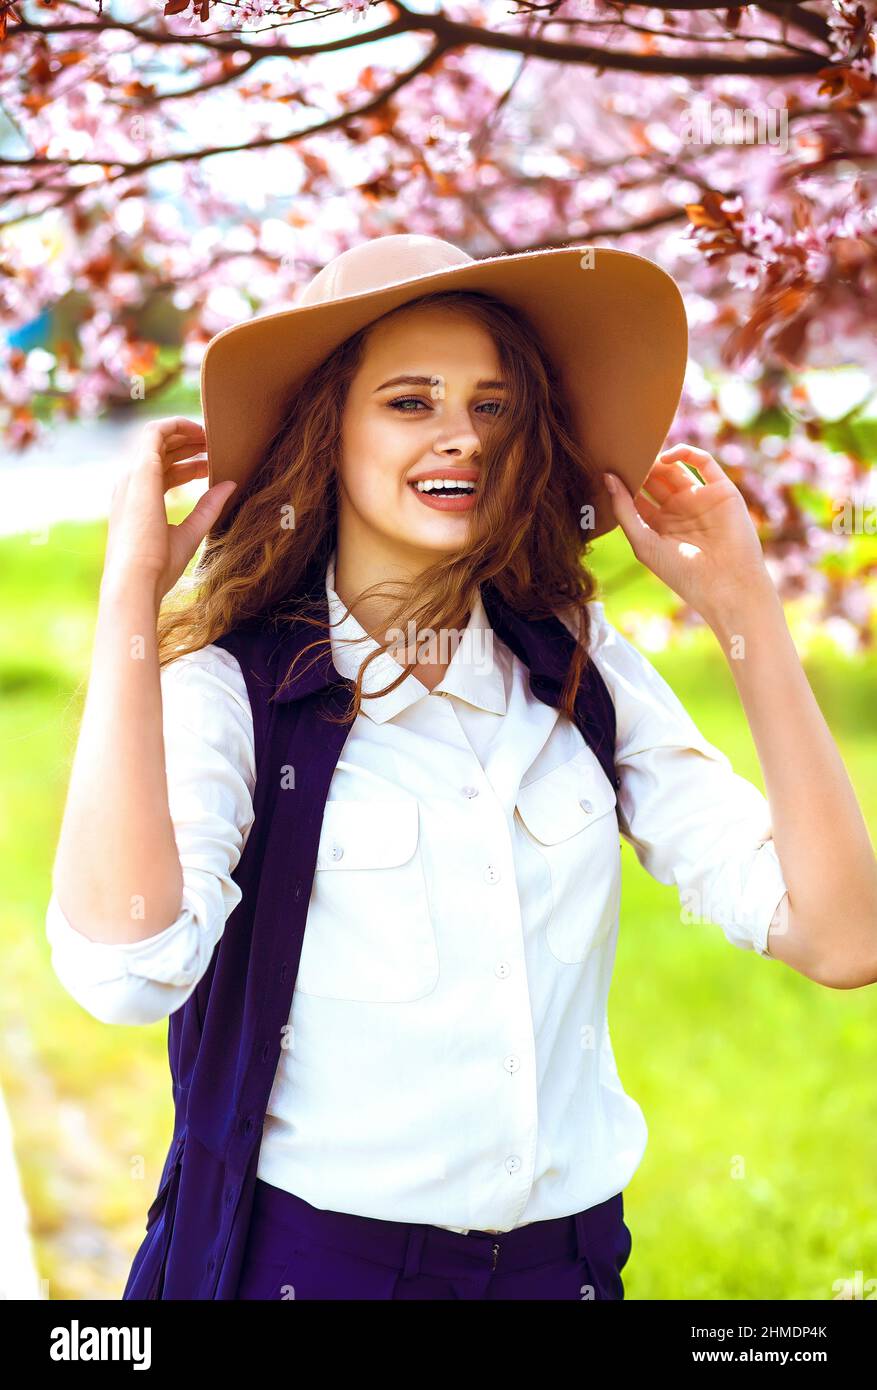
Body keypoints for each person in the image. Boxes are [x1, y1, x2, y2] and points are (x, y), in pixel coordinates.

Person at [45, 235, 877, 1301]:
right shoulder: (233, 691)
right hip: (319, 1271)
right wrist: (133, 599)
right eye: (409, 402)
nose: (463, 438)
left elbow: (844, 935)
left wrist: (743, 613)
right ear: (327, 433)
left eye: (492, 406)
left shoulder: (575, 658)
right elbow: (125, 971)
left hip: (567, 1269)